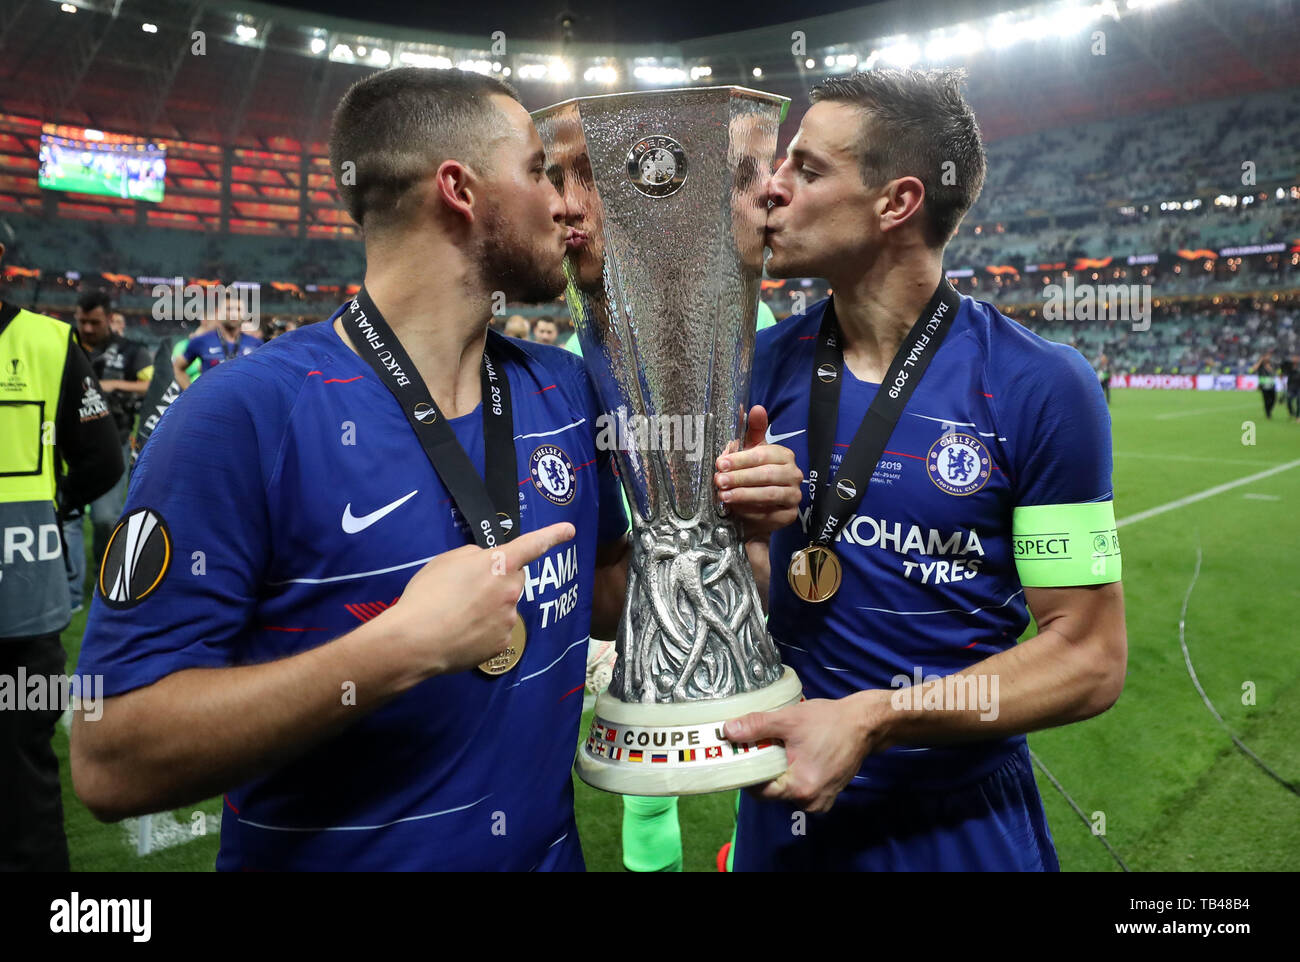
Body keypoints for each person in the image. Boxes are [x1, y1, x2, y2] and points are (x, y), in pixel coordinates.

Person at [70, 67, 799, 871]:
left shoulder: (561, 390)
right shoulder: (242, 417)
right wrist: (394, 652)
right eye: (537, 172)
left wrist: (730, 540)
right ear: (460, 189)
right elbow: (111, 756)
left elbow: (599, 597)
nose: (564, 203)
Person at [724, 68, 1127, 871]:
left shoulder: (1038, 386)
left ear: (897, 203)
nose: (773, 188)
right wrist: (747, 538)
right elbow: (747, 602)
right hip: (787, 801)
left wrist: (876, 717)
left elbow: (1088, 657)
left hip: (958, 823)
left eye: (807, 169)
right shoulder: (757, 369)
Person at [0, 239, 123, 870]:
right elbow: (104, 457)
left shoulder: (52, 340)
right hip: (23, 597)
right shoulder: (48, 343)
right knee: (24, 769)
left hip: (26, 603)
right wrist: (57, 504)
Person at [62, 290, 153, 609]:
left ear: (108, 318)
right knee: (67, 517)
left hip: (111, 445)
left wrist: (116, 386)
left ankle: (105, 576)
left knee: (105, 519)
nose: (87, 328)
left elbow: (152, 384)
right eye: (82, 320)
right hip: (64, 446)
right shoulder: (62, 343)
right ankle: (72, 593)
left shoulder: (131, 351)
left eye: (94, 322)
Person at [172, 288, 260, 389]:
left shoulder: (256, 344)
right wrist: (193, 397)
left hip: (242, 404)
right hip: (211, 403)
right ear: (219, 312)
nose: (234, 314)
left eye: (239, 309)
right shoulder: (202, 341)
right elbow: (178, 368)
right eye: (229, 309)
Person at [1254, 353, 1276, 419]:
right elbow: (1254, 368)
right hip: (1263, 386)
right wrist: (1260, 361)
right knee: (1266, 400)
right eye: (1266, 356)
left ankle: (1269, 410)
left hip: (1271, 385)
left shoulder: (1272, 364)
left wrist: (1269, 368)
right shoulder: (1260, 365)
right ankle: (1268, 414)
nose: (1268, 357)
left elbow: (1274, 372)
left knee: (1273, 399)